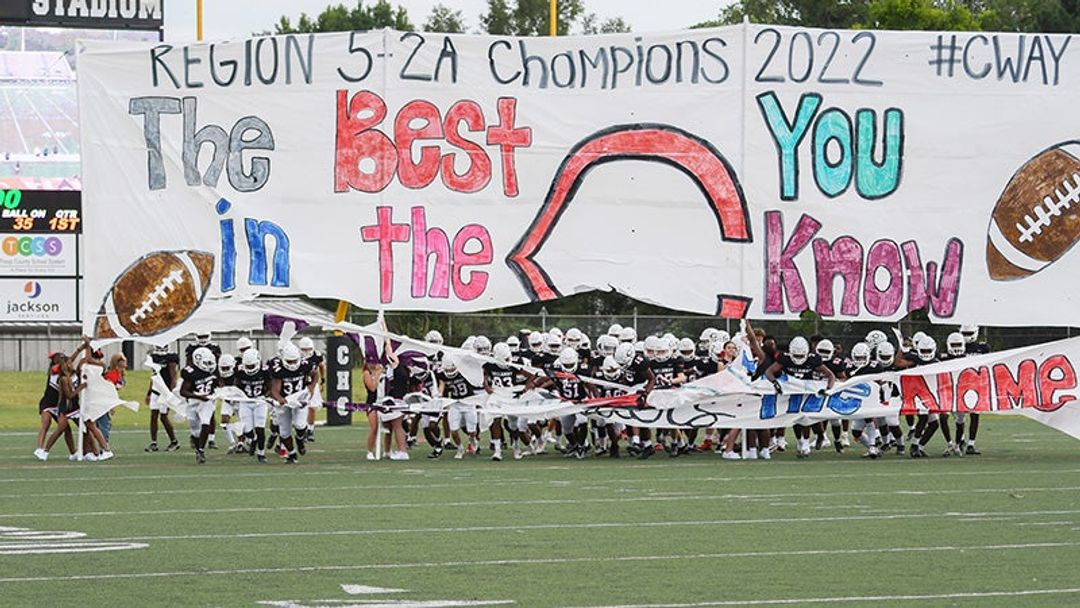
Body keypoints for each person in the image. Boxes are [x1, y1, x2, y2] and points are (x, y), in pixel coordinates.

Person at [269, 343, 316, 464]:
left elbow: (315, 374)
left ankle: (300, 439)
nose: (292, 364)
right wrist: (280, 398)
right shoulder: (278, 369)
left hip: (300, 397)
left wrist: (311, 387)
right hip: (285, 401)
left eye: (294, 361)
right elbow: (274, 389)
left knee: (300, 425)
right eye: (289, 361)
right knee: (284, 432)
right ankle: (292, 454)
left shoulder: (305, 364)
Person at [180, 346, 220, 464]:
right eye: (206, 362)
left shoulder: (214, 370)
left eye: (210, 362)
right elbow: (183, 391)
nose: (209, 365)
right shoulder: (191, 372)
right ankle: (198, 448)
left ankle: (201, 450)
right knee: (195, 430)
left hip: (207, 401)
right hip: (194, 402)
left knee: (206, 422)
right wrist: (198, 396)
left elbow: (219, 384)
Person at [236, 349, 271, 463]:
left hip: (259, 402)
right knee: (247, 431)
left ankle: (261, 453)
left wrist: (264, 396)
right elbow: (237, 386)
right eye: (248, 366)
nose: (250, 368)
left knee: (260, 429)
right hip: (245, 402)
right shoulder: (240, 371)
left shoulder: (265, 370)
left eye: (252, 366)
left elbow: (270, 387)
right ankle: (253, 439)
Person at [145, 344, 180, 453]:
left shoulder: (171, 357)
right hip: (156, 390)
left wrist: (171, 392)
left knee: (163, 417)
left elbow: (173, 376)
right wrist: (149, 392)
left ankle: (174, 441)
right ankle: (153, 442)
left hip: (165, 390)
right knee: (153, 415)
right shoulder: (154, 357)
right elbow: (154, 375)